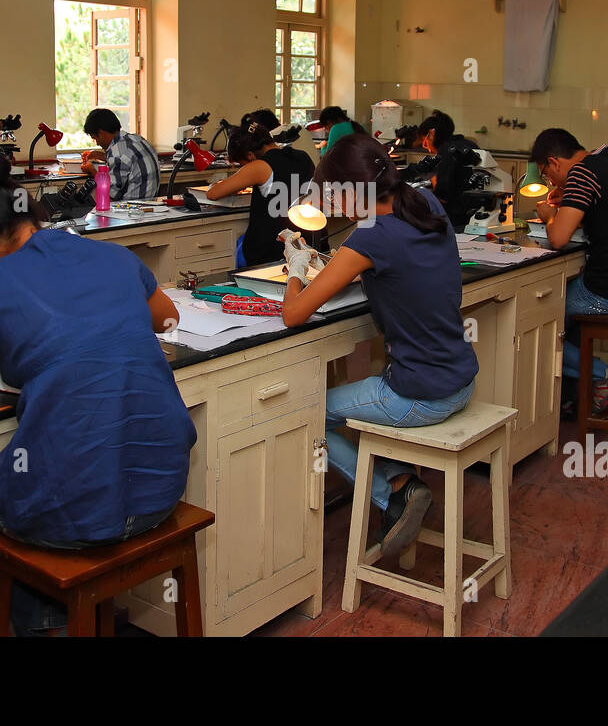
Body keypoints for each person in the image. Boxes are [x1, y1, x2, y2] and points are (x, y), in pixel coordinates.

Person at [0, 150, 195, 636]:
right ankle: (64, 619)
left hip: (80, 512)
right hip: (161, 487)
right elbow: (167, 319)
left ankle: (46, 624)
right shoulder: (110, 253)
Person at [280, 134, 478, 557]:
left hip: (420, 394)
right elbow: (400, 266)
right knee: (352, 398)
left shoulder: (369, 238)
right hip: (460, 378)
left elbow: (294, 313)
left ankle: (392, 497)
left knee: (311, 413)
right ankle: (403, 478)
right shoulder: (426, 204)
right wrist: (343, 266)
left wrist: (297, 267)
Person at [530, 128, 608, 415]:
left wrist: (550, 216)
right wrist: (567, 198)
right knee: (563, 323)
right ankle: (571, 395)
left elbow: (559, 238)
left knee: (537, 324)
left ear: (554, 162)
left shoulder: (581, 173)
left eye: (548, 175)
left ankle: (604, 375)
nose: (552, 182)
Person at [206, 121, 315, 267]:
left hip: (271, 249)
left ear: (250, 156)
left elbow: (213, 193)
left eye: (241, 164)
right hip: (305, 242)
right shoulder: (303, 156)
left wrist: (217, 185)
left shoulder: (260, 165)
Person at [405, 110, 483, 230]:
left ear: (431, 133)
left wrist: (434, 185)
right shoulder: (469, 144)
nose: (429, 150)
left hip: (458, 217)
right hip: (477, 212)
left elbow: (443, 194)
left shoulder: (447, 150)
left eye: (425, 143)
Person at [79, 108, 161, 200]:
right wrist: (104, 156)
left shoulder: (117, 151)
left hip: (132, 209)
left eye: (95, 138)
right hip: (151, 205)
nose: (97, 143)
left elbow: (111, 192)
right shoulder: (137, 139)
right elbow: (127, 160)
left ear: (102, 134)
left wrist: (92, 170)